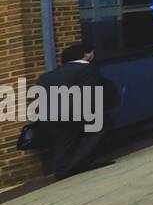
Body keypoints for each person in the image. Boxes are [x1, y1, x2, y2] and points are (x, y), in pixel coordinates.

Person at [36, 43, 120, 179]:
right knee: (101, 127)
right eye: (91, 52)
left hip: (50, 115)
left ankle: (61, 169)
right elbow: (89, 92)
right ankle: (78, 163)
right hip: (76, 112)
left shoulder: (46, 76)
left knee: (64, 140)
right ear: (86, 55)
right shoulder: (86, 69)